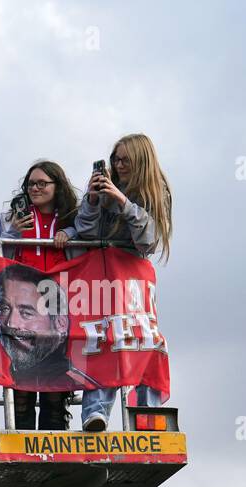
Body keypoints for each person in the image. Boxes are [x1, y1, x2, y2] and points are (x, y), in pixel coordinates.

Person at [74, 133, 173, 431]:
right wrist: (93, 200)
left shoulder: (157, 192)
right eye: (115, 159)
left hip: (134, 282)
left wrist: (123, 201)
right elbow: (85, 232)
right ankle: (96, 412)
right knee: (101, 338)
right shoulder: (105, 188)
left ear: (140, 161)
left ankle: (147, 415)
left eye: (124, 160)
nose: (118, 166)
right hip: (102, 279)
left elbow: (149, 242)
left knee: (144, 341)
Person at [0, 160, 81, 429]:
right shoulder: (11, 216)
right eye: (31, 184)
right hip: (22, 310)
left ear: (57, 185)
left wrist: (71, 232)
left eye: (43, 183)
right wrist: (14, 231)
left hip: (57, 309)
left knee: (55, 389)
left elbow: (88, 242)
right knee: (22, 389)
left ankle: (55, 454)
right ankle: (21, 453)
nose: (36, 188)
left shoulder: (71, 218)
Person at [0, 262, 97, 394]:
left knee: (52, 406)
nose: (11, 324)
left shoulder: (80, 380)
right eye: (4, 309)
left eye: (26, 313)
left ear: (60, 323)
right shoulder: (3, 374)